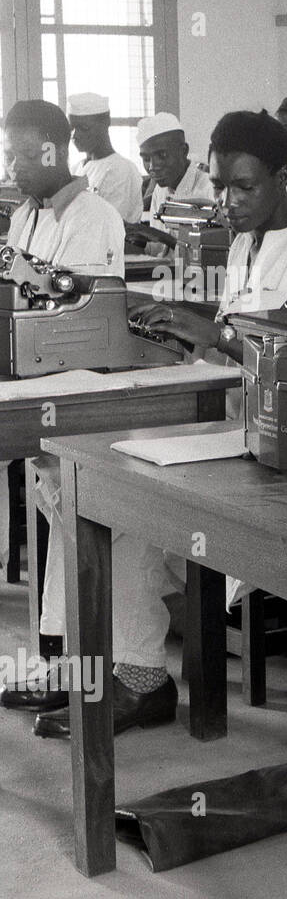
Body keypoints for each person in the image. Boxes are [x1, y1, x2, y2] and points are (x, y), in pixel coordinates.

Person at [33, 111, 287, 738]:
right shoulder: (244, 244)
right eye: (219, 186)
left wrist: (215, 334)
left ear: (283, 176)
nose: (228, 201)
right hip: (241, 428)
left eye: (244, 187)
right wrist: (174, 318)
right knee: (81, 481)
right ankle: (77, 664)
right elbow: (234, 330)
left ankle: (140, 682)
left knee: (125, 509)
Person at [0, 100, 124, 713]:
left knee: (76, 522)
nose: (13, 167)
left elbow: (69, 313)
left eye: (21, 155)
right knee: (56, 519)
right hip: (34, 382)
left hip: (76, 389)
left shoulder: (91, 216)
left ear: (53, 149)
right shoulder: (27, 213)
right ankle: (59, 663)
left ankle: (83, 670)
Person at [127, 112, 215, 256]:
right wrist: (136, 239)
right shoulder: (160, 191)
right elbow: (159, 250)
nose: (152, 166)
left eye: (162, 156)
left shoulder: (208, 188)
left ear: (184, 151)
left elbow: (208, 254)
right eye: (146, 158)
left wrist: (158, 236)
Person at [67, 92, 142, 224]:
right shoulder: (76, 169)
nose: (75, 135)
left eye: (84, 128)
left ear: (106, 123)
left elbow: (109, 224)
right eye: (72, 128)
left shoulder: (122, 170)